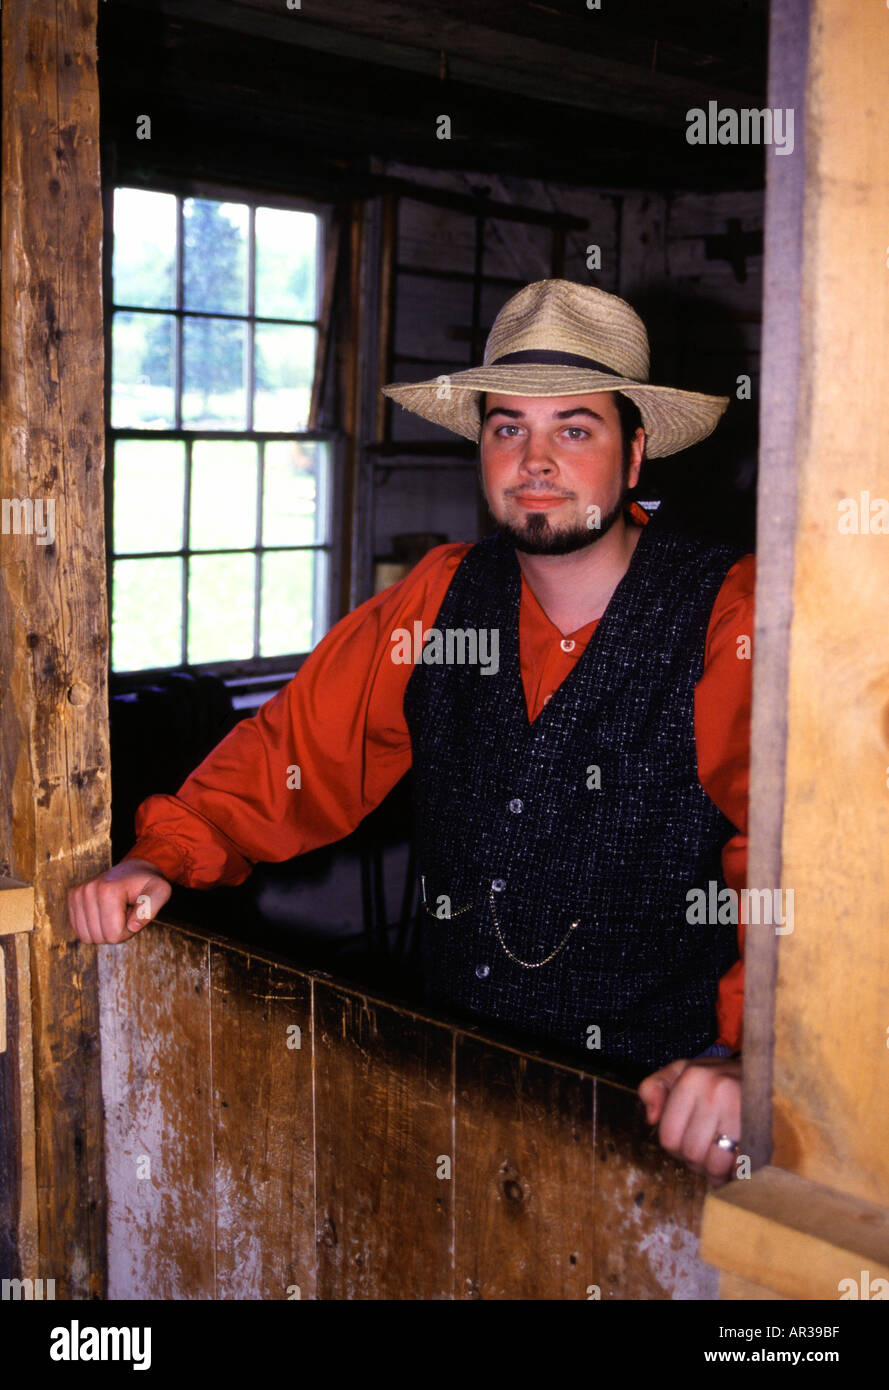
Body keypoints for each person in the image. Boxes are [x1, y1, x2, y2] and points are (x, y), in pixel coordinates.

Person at [69, 280, 753, 1186]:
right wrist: (165, 856)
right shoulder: (439, 597)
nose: (534, 459)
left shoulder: (725, 611)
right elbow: (295, 755)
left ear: (633, 456)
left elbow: (801, 860)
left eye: (573, 429)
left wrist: (750, 1054)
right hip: (453, 1087)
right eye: (507, 428)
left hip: (661, 1110)